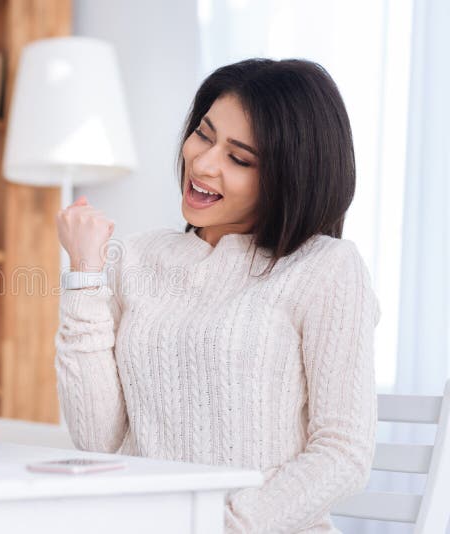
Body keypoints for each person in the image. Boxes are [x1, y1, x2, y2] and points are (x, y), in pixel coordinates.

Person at [55, 58, 381, 533]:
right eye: (204, 135)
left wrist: (217, 525)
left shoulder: (327, 268)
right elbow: (98, 440)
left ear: (290, 177)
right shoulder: (141, 257)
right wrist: (85, 274)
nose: (203, 163)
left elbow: (343, 452)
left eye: (240, 158)